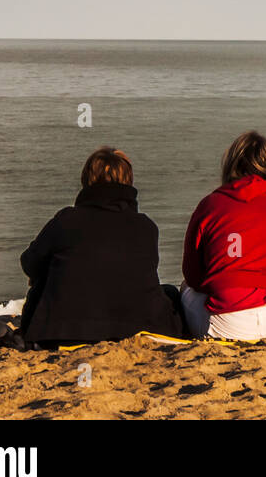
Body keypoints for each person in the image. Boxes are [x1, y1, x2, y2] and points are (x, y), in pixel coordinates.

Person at [19, 146, 184, 348]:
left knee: (43, 280)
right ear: (129, 182)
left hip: (65, 331)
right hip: (138, 327)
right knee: (170, 292)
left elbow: (30, 263)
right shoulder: (146, 227)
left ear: (86, 180)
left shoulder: (67, 220)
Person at [181, 131, 266, 341]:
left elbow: (193, 275)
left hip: (230, 327)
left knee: (185, 289)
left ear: (230, 164)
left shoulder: (210, 205)